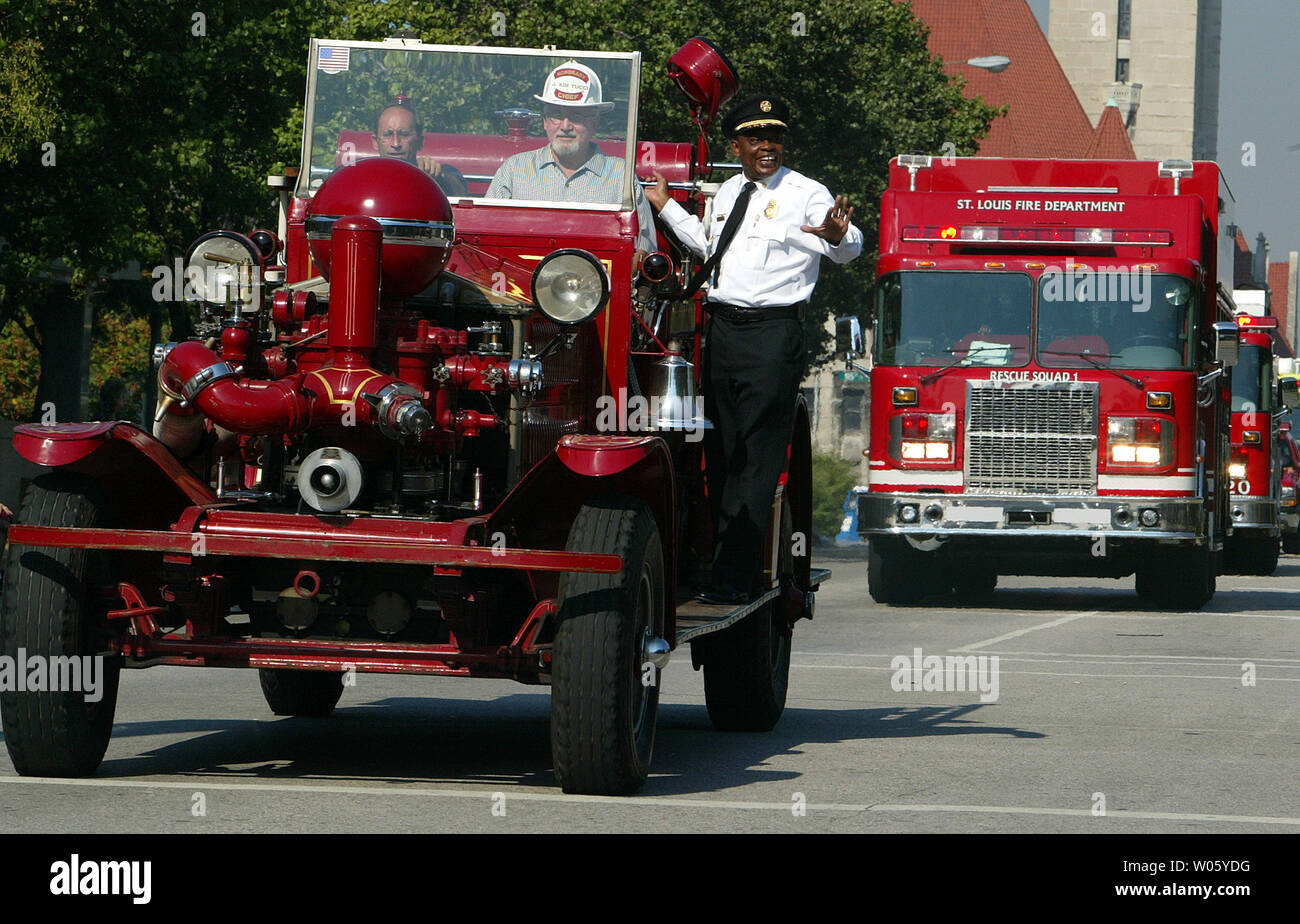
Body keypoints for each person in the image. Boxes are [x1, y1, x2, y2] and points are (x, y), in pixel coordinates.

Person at [646, 93, 863, 603]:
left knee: (757, 458)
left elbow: (847, 244)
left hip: (771, 335)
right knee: (720, 454)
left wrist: (837, 234)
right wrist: (665, 207)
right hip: (721, 331)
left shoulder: (806, 192)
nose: (768, 146)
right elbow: (709, 246)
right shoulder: (727, 191)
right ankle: (718, 563)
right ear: (737, 145)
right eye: (756, 138)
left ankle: (737, 579)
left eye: (776, 138)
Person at [486, 61, 656, 251]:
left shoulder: (621, 177)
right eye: (556, 115)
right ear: (544, 121)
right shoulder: (514, 170)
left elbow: (645, 250)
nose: (565, 126)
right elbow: (485, 236)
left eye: (577, 116)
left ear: (595, 122)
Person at [374, 100, 469, 198]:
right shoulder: (363, 175)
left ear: (420, 142)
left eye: (404, 134)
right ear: (375, 142)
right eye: (387, 135)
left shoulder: (440, 174)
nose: (396, 143)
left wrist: (439, 176)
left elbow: (461, 192)